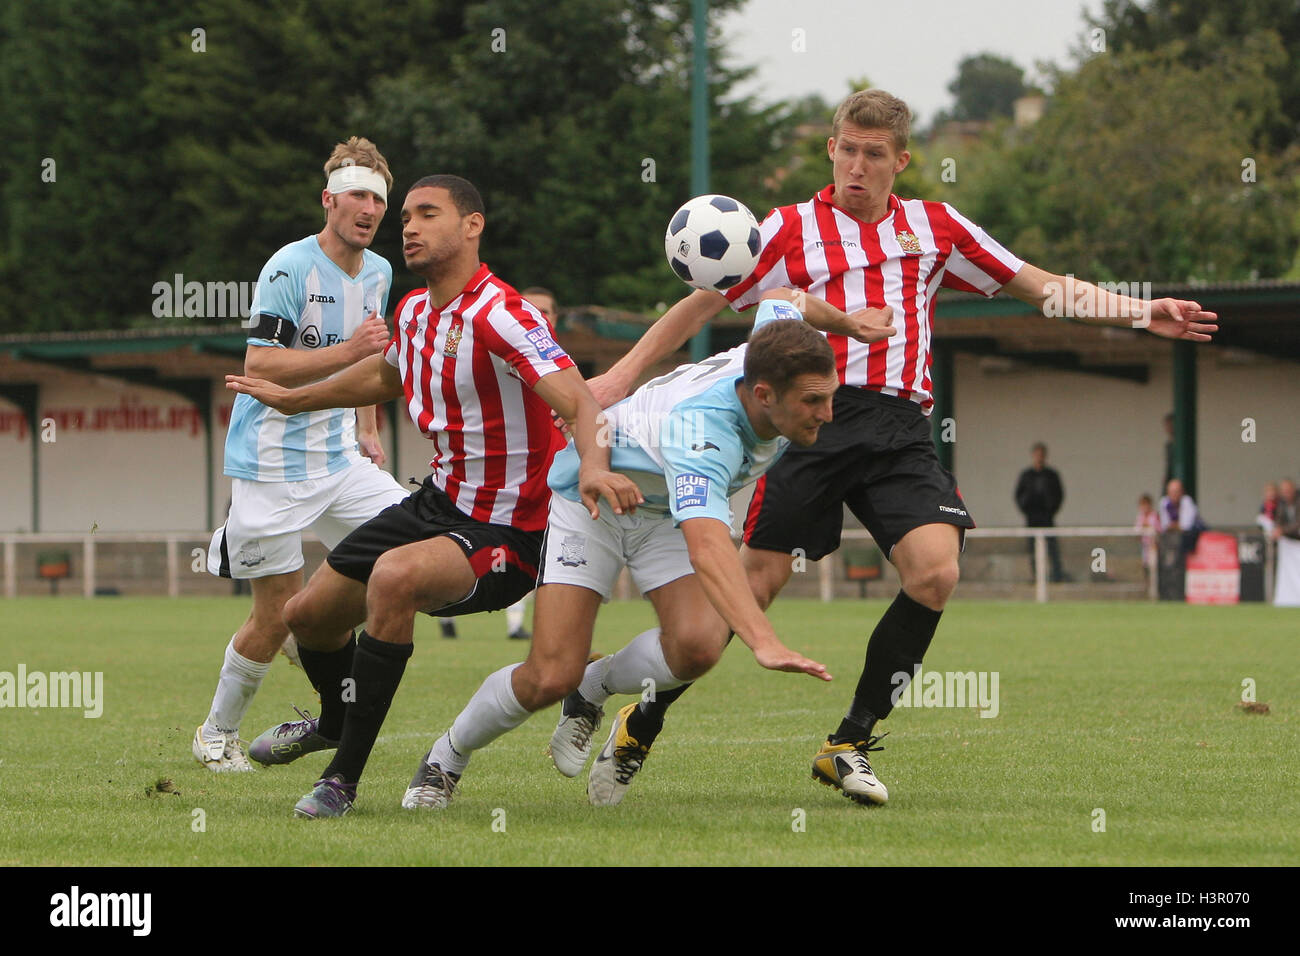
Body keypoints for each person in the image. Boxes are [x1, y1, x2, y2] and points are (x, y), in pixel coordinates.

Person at [578, 88, 1219, 806]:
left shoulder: (935, 225)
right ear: (831, 149)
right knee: (752, 586)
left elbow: (1038, 287)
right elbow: (705, 299)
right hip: (809, 422)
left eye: (874, 154)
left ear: (901, 161)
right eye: (846, 149)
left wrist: (1141, 311)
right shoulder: (786, 228)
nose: (857, 166)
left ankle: (848, 743)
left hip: (898, 429)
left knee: (936, 572)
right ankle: (643, 719)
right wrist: (625, 373)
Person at [226, 174, 640, 818]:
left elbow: (580, 400)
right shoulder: (416, 312)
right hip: (438, 505)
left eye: (428, 214)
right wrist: (294, 397)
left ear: (472, 226)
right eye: (407, 217)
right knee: (306, 617)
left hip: (511, 530)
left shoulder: (502, 312)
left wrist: (591, 466)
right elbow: (386, 374)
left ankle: (342, 779)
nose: (409, 227)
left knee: (393, 580)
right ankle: (335, 721)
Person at [400, 298, 879, 812]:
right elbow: (708, 547)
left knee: (698, 647)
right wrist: (765, 643)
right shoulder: (703, 432)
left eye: (829, 397)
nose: (827, 414)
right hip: (595, 504)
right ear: (763, 394)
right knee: (547, 676)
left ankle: (595, 684)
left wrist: (846, 323)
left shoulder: (777, 343)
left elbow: (776, 299)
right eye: (813, 402)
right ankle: (445, 757)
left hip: (659, 511)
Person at [192, 137, 409, 772]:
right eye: (357, 196)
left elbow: (372, 361)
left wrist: (369, 428)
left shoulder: (379, 271)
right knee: (272, 620)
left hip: (341, 460)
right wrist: (347, 352)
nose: (368, 209)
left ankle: (320, 655)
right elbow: (261, 363)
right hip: (271, 466)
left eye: (377, 199)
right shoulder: (289, 267)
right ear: (329, 200)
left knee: (412, 548)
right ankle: (214, 735)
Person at [437, 286, 560, 643]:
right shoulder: (499, 361)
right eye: (532, 309)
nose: (540, 316)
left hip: (553, 487)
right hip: (503, 493)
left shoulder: (562, 368)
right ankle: (450, 608)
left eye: (547, 311)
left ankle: (542, 637)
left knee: (550, 565)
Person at [1014, 442, 1069, 582]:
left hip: (1047, 517)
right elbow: (1019, 495)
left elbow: (1059, 495)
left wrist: (1052, 509)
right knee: (1033, 549)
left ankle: (1057, 576)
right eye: (1037, 454)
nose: (1039, 457)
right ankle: (1036, 577)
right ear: (1033, 456)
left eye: (1041, 455)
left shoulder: (1051, 475)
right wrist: (1027, 509)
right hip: (1032, 518)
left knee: (1052, 548)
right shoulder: (1027, 475)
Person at [1158, 477, 1204, 559]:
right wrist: (1176, 526)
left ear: (1182, 492)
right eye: (1171, 492)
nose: (1174, 494)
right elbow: (1164, 525)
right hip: (1174, 537)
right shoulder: (1164, 503)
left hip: (1195, 535)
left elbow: (1186, 526)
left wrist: (1173, 526)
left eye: (1176, 491)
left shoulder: (1187, 501)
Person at [1135, 493, 1160, 583]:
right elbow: (1137, 531)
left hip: (1153, 547)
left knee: (1154, 568)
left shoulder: (1154, 516)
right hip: (1144, 546)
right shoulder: (1140, 517)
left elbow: (1158, 530)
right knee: (1145, 567)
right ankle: (1147, 586)